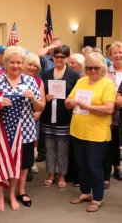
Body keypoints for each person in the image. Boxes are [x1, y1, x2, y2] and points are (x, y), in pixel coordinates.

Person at [0, 46, 43, 211]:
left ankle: (12, 194)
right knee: (1, 163)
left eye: (19, 62)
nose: (15, 65)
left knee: (19, 165)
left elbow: (40, 106)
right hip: (2, 132)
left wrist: (34, 98)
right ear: (5, 62)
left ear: (23, 64)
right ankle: (0, 196)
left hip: (25, 132)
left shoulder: (30, 81)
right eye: (12, 62)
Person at [65, 52, 116, 212]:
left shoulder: (107, 84)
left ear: (102, 68)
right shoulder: (81, 81)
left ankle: (98, 198)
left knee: (94, 166)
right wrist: (70, 102)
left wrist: (88, 107)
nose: (92, 70)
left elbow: (109, 108)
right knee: (82, 165)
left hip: (97, 134)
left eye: (95, 67)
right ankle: (86, 193)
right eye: (89, 67)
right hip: (78, 131)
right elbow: (67, 103)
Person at [42, 45, 80, 190]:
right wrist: (45, 97)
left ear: (67, 58)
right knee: (50, 147)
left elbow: (77, 95)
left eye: (62, 57)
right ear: (53, 57)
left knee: (63, 148)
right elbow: (41, 94)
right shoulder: (46, 74)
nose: (59, 59)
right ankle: (51, 173)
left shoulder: (74, 76)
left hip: (65, 117)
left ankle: (62, 174)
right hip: (48, 117)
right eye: (56, 56)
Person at [36, 37, 62, 162]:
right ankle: (42, 152)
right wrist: (51, 47)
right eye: (55, 47)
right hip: (45, 91)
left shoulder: (62, 60)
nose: (57, 50)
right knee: (43, 124)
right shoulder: (46, 60)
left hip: (60, 95)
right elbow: (38, 54)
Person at [23, 53, 46, 177]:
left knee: (33, 140)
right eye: (30, 65)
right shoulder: (18, 77)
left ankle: (31, 163)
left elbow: (42, 100)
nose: (32, 68)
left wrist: (38, 112)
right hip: (20, 118)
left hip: (34, 117)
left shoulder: (38, 80)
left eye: (35, 66)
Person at [104, 41, 122, 184]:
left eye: (120, 52)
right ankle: (109, 169)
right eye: (115, 52)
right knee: (111, 141)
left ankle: (117, 167)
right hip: (109, 113)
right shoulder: (105, 71)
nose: (118, 55)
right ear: (110, 55)